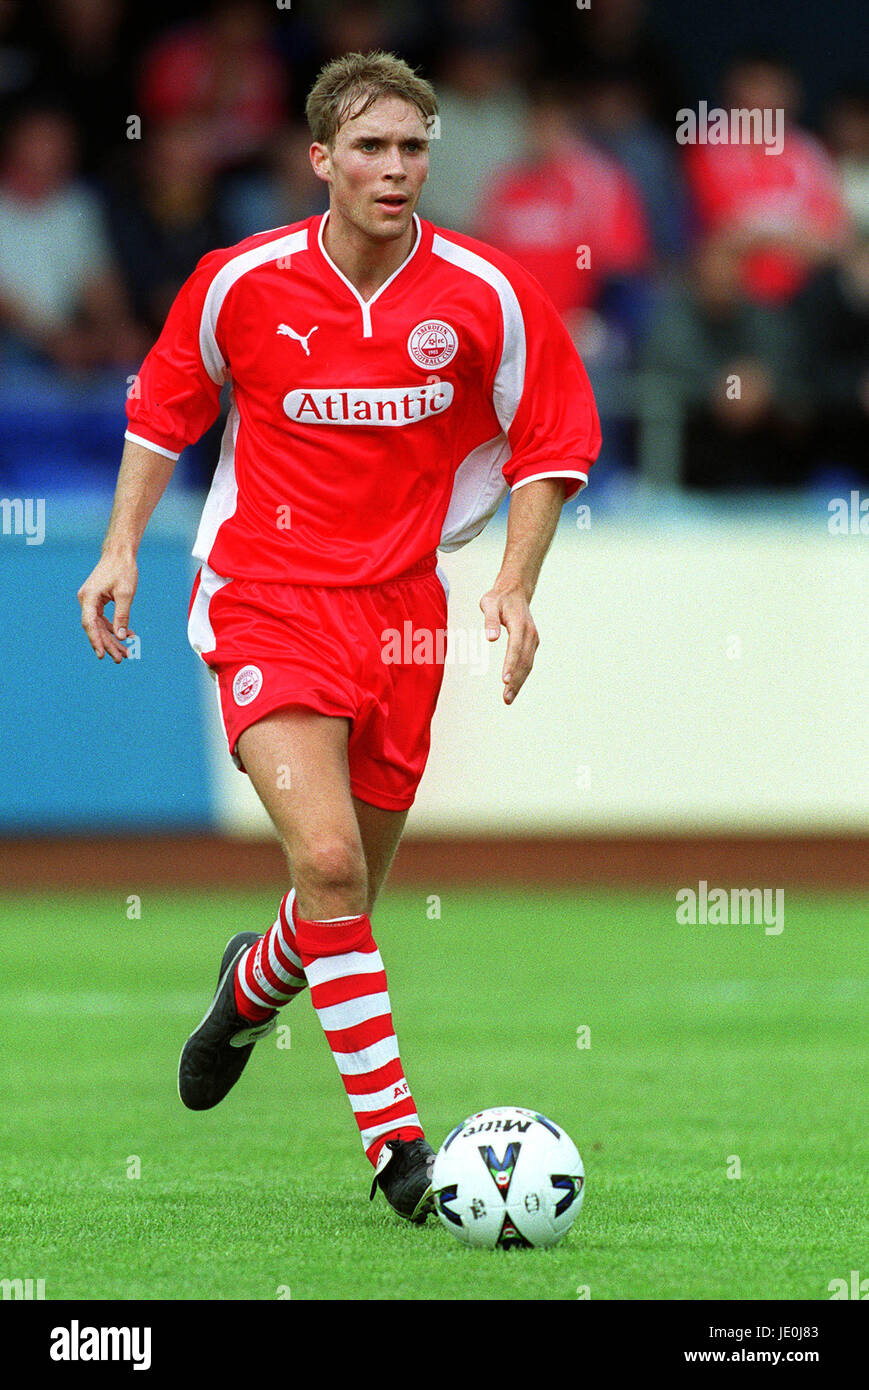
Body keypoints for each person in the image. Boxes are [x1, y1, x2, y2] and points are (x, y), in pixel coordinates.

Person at [77, 51, 601, 1224]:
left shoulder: (485, 294)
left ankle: (248, 990)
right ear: (319, 160)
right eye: (370, 147)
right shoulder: (240, 283)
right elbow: (164, 406)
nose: (395, 167)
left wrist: (513, 586)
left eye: (412, 146)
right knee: (327, 866)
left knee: (340, 896)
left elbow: (550, 441)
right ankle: (399, 1155)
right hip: (264, 594)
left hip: (402, 617)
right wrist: (120, 547)